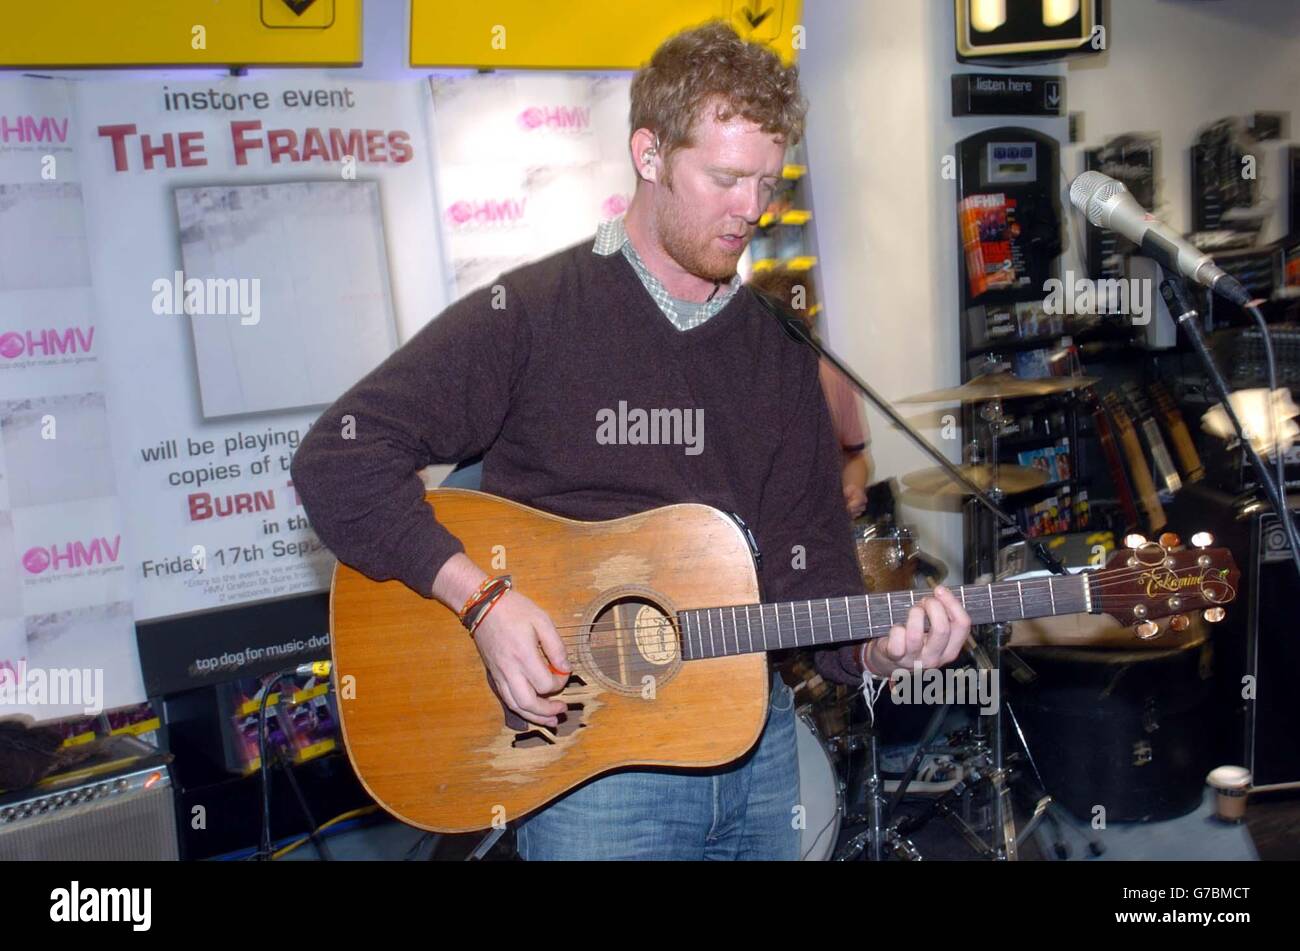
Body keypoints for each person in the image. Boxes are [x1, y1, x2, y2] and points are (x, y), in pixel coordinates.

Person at [290, 20, 969, 860]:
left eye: (767, 180)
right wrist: (481, 601)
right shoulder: (536, 315)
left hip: (753, 752)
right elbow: (338, 458)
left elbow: (812, 579)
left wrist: (879, 647)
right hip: (594, 775)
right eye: (724, 178)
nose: (751, 209)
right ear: (648, 155)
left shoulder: (781, 353)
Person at [746, 268, 873, 517]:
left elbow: (855, 456)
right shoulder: (739, 385)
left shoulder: (834, 376)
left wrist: (853, 488)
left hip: (820, 530)